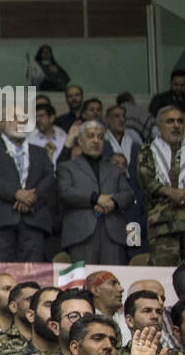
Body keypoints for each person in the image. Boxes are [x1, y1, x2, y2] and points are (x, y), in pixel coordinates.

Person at [0, 111, 55, 262]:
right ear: (2, 123)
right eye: (14, 118)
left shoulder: (40, 152)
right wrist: (16, 193)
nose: (19, 122)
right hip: (1, 221)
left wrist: (32, 197)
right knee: (2, 275)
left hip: (34, 220)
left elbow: (50, 177)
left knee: (32, 276)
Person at [58, 120, 134, 265]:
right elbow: (65, 192)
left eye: (100, 137)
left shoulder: (115, 169)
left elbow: (128, 194)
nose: (96, 140)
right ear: (80, 140)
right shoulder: (67, 167)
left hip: (113, 234)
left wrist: (112, 202)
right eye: (91, 136)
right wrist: (95, 198)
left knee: (113, 280)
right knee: (82, 284)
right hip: (81, 234)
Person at [138, 106, 185, 266]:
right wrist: (170, 192)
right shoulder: (148, 150)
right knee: (165, 276)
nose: (176, 125)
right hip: (162, 226)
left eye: (180, 121)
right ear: (159, 127)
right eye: (170, 121)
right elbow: (145, 179)